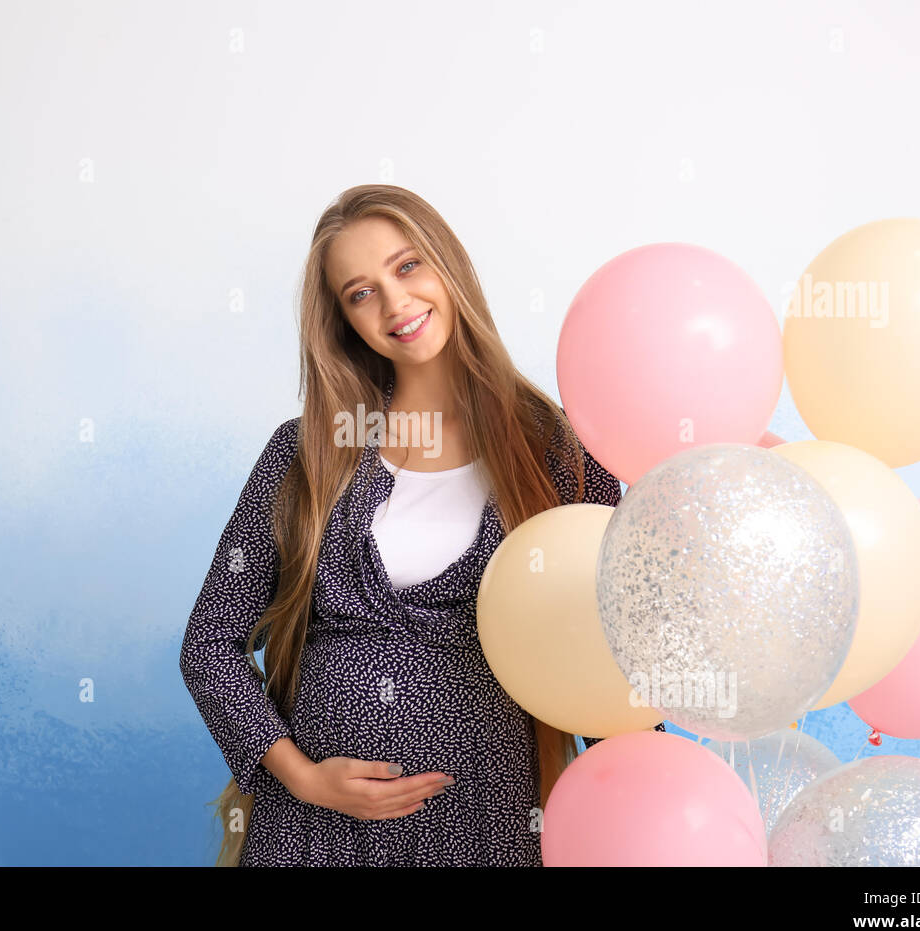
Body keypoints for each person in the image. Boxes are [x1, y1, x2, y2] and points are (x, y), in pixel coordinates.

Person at [180, 183, 663, 867]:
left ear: (448, 266)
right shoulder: (305, 451)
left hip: (486, 821)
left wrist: (650, 807)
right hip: (310, 832)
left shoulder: (557, 452)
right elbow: (209, 645)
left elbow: (613, 653)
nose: (395, 303)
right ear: (344, 320)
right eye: (361, 292)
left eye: (407, 267)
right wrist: (301, 777)